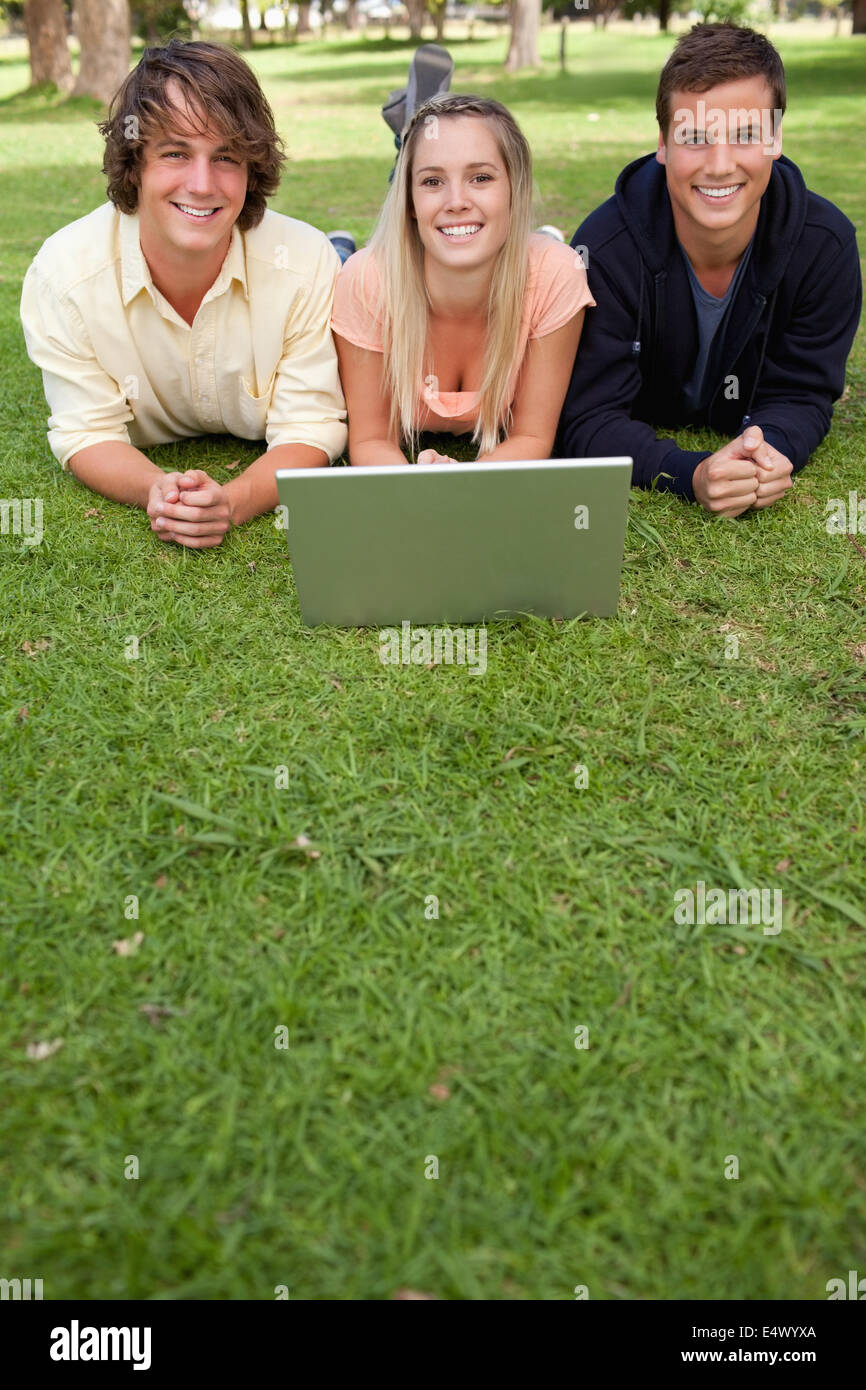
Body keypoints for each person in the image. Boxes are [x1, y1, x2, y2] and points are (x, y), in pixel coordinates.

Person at [20, 40, 347, 549]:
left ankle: (353, 237)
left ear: (251, 169)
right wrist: (157, 490)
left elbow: (313, 425)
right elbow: (86, 431)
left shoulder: (304, 261)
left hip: (325, 263)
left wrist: (234, 501)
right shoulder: (63, 275)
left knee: (354, 272)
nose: (201, 183)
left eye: (226, 157)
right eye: (175, 153)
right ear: (135, 163)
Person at [557, 22, 862, 519]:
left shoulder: (824, 245)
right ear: (663, 144)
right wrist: (688, 473)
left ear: (775, 138)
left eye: (745, 136)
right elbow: (587, 417)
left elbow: (804, 393)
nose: (720, 165)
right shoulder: (604, 249)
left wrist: (769, 450)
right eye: (695, 137)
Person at [331, 93, 594, 468]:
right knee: (338, 262)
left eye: (481, 177)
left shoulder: (556, 274)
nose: (456, 201)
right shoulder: (365, 280)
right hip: (374, 265)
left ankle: (543, 234)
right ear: (409, 201)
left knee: (543, 251)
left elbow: (532, 436)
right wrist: (413, 487)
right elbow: (371, 438)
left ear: (515, 188)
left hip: (525, 253)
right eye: (432, 181)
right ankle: (339, 245)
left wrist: (467, 482)